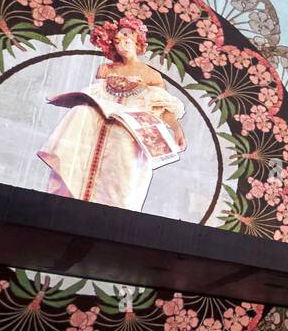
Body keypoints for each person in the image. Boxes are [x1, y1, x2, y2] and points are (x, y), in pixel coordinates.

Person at [37, 17, 186, 211]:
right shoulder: (106, 69)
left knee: (121, 176)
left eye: (127, 41)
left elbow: (162, 106)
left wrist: (176, 129)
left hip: (127, 130)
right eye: (117, 41)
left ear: (138, 43)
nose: (122, 46)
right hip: (98, 123)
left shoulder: (150, 75)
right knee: (81, 113)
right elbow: (95, 94)